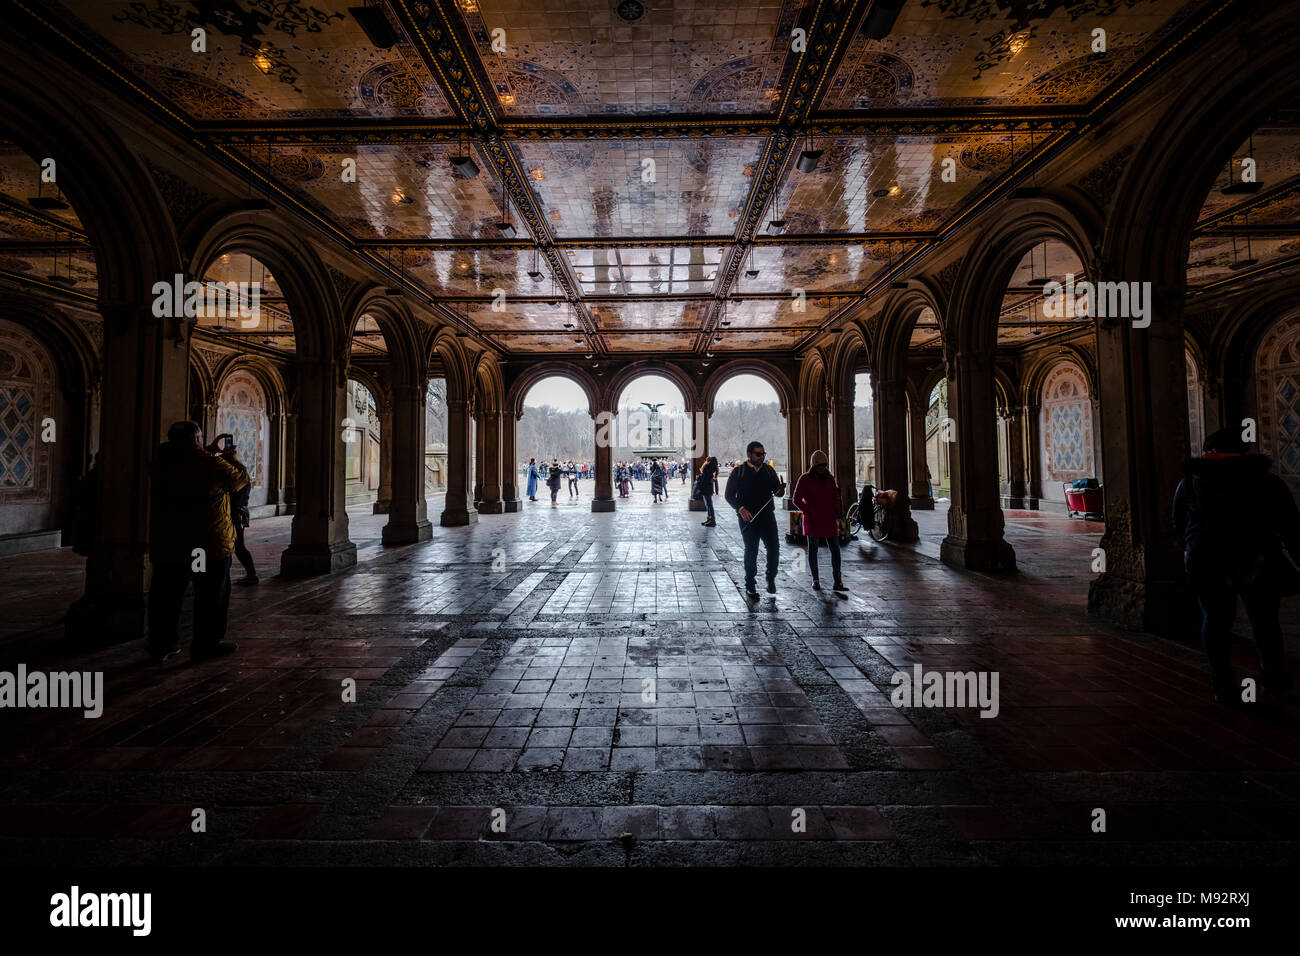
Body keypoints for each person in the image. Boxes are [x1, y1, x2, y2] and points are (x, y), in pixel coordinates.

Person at [1174, 426, 1300, 705]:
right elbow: (1290, 527)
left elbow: (1179, 522)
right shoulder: (1267, 482)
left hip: (1207, 561)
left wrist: (1189, 549)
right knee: (1265, 621)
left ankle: (1223, 682)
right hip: (1257, 559)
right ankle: (1273, 677)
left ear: (1211, 452)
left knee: (1216, 621)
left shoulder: (1191, 482)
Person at [147, 422, 248, 664]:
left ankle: (162, 645)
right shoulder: (209, 462)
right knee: (210, 594)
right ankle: (206, 644)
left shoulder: (159, 462)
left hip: (169, 541)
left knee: (166, 596)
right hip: (206, 543)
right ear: (195, 439)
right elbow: (239, 480)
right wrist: (229, 457)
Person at [725, 440, 785, 600]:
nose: (761, 457)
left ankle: (771, 577)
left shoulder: (769, 471)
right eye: (758, 454)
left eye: (763, 454)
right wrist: (741, 509)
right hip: (748, 518)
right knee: (751, 550)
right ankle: (750, 584)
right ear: (749, 455)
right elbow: (729, 495)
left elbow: (777, 492)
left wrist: (780, 490)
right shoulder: (739, 472)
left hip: (767, 516)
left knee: (774, 548)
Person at [793, 450, 848, 592]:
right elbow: (796, 499)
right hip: (813, 519)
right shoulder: (805, 479)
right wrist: (808, 510)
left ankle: (838, 580)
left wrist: (836, 511)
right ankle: (815, 580)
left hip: (828, 518)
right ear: (813, 466)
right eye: (819, 466)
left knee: (835, 550)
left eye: (824, 465)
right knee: (813, 550)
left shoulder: (830, 478)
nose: (822, 468)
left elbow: (835, 496)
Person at [222, 440, 259, 585]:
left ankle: (251, 575)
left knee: (237, 546)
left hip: (236, 514)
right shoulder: (240, 473)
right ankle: (249, 575)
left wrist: (237, 511)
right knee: (236, 546)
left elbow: (241, 497)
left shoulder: (239, 476)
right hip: (235, 513)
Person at [697, 455, 719, 527]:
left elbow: (704, 478)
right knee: (708, 504)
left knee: (709, 505)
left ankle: (712, 520)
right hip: (707, 488)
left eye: (709, 457)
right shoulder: (710, 466)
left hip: (706, 488)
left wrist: (699, 488)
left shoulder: (709, 467)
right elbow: (704, 476)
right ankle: (710, 519)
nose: (707, 457)